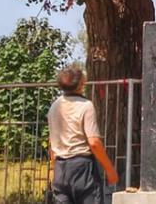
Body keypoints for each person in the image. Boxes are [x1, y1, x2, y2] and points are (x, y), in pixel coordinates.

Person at [48, 65, 120, 204]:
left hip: (60, 168)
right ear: (81, 83)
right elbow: (94, 143)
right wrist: (109, 169)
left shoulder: (54, 106)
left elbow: (52, 143)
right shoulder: (86, 106)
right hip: (82, 168)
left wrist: (55, 167)